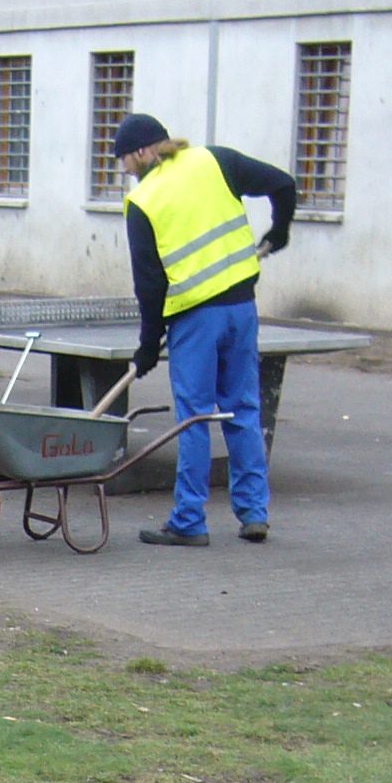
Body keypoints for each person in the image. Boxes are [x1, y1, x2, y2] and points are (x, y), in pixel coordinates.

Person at [115, 113, 296, 548]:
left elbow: (150, 284)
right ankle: (254, 513)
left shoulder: (144, 202)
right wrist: (281, 229)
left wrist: (146, 345)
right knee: (243, 410)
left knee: (193, 418)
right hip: (241, 309)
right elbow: (284, 184)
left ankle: (189, 520)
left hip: (195, 319)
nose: (123, 169)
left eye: (123, 159)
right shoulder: (215, 160)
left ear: (141, 152)